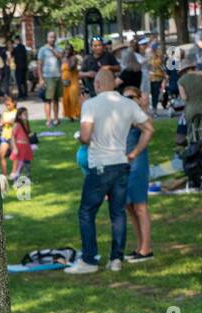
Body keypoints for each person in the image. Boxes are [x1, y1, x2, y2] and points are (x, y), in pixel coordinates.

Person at [65, 68, 153, 275]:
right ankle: (116, 258)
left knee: (86, 212)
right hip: (121, 164)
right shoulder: (128, 104)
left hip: (101, 166)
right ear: (114, 83)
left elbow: (86, 137)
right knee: (117, 213)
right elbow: (149, 129)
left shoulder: (90, 104)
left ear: (96, 84)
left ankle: (89, 259)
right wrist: (135, 152)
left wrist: (80, 135)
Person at [121, 86, 153, 262]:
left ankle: (146, 249)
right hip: (125, 164)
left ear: (139, 99)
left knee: (140, 206)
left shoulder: (141, 116)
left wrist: (134, 153)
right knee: (130, 207)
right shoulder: (126, 115)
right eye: (124, 97)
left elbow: (149, 130)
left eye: (131, 97)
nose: (128, 100)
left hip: (137, 164)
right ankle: (139, 246)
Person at [36, 32, 63, 126]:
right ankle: (48, 120)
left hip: (58, 76)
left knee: (56, 99)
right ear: (47, 38)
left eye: (54, 37)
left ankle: (56, 119)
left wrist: (52, 49)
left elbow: (60, 57)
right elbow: (39, 65)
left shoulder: (58, 48)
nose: (52, 39)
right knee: (48, 99)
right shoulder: (42, 49)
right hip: (47, 77)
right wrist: (41, 78)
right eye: (51, 37)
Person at [9, 107, 34, 184]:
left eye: (27, 114)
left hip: (26, 146)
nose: (26, 115)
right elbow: (12, 136)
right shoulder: (17, 124)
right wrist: (15, 148)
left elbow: (25, 135)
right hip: (20, 147)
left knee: (27, 163)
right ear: (19, 116)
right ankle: (15, 180)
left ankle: (28, 177)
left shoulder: (25, 124)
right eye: (24, 114)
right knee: (20, 164)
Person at [61, 46, 81, 121]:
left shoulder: (73, 58)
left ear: (72, 51)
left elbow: (70, 67)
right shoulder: (63, 59)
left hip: (73, 80)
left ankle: (77, 114)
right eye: (66, 49)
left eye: (69, 50)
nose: (67, 51)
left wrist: (67, 58)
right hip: (65, 82)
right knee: (66, 99)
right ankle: (69, 116)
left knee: (73, 98)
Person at [11, 35, 29, 100]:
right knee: (24, 81)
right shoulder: (23, 47)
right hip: (24, 66)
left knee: (19, 81)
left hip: (19, 67)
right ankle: (25, 94)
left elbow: (12, 54)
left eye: (15, 40)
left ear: (17, 40)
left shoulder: (16, 48)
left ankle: (21, 94)